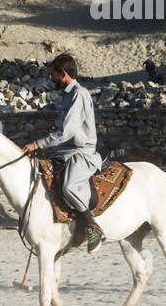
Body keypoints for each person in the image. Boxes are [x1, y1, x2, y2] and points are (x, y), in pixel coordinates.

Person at [22, 53, 105, 253]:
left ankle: (92, 227)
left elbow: (67, 132)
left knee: (69, 186)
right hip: (64, 151)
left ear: (64, 73)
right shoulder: (67, 95)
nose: (51, 78)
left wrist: (38, 144)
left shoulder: (79, 94)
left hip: (80, 153)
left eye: (53, 75)